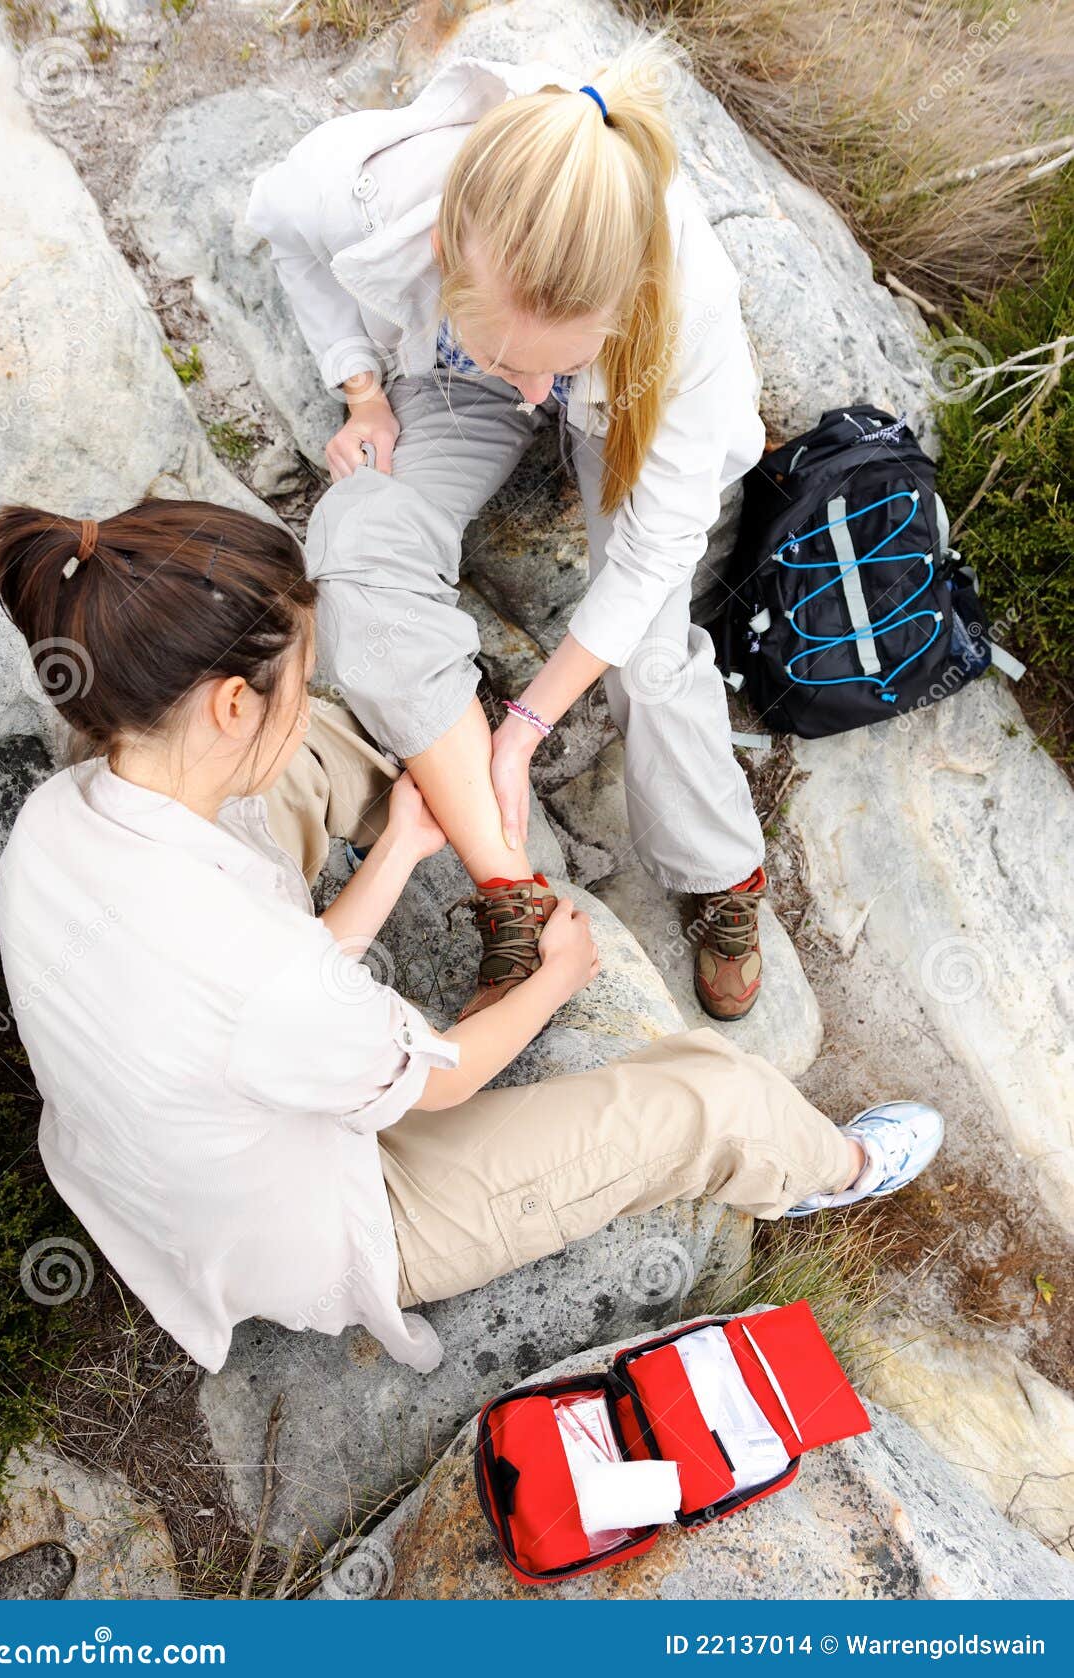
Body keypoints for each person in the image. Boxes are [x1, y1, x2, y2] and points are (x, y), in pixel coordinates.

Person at [0, 499, 942, 1375]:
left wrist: (399, 850)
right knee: (715, 1096)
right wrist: (554, 979)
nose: (306, 697)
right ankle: (839, 1171)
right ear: (231, 703)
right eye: (294, 684)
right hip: (336, 1221)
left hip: (163, 1151)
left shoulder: (53, 821)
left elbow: (264, 989)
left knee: (306, 763)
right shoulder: (267, 981)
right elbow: (435, 1080)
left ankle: (467, 840)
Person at [248, 41, 772, 1022]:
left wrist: (524, 727)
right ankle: (509, 883)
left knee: (650, 651)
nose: (536, 394)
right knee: (355, 538)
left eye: (556, 365)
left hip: (625, 415)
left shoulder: (681, 308)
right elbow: (280, 225)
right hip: (447, 387)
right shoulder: (367, 187)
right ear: (446, 254)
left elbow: (660, 540)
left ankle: (718, 872)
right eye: (511, 354)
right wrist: (361, 387)